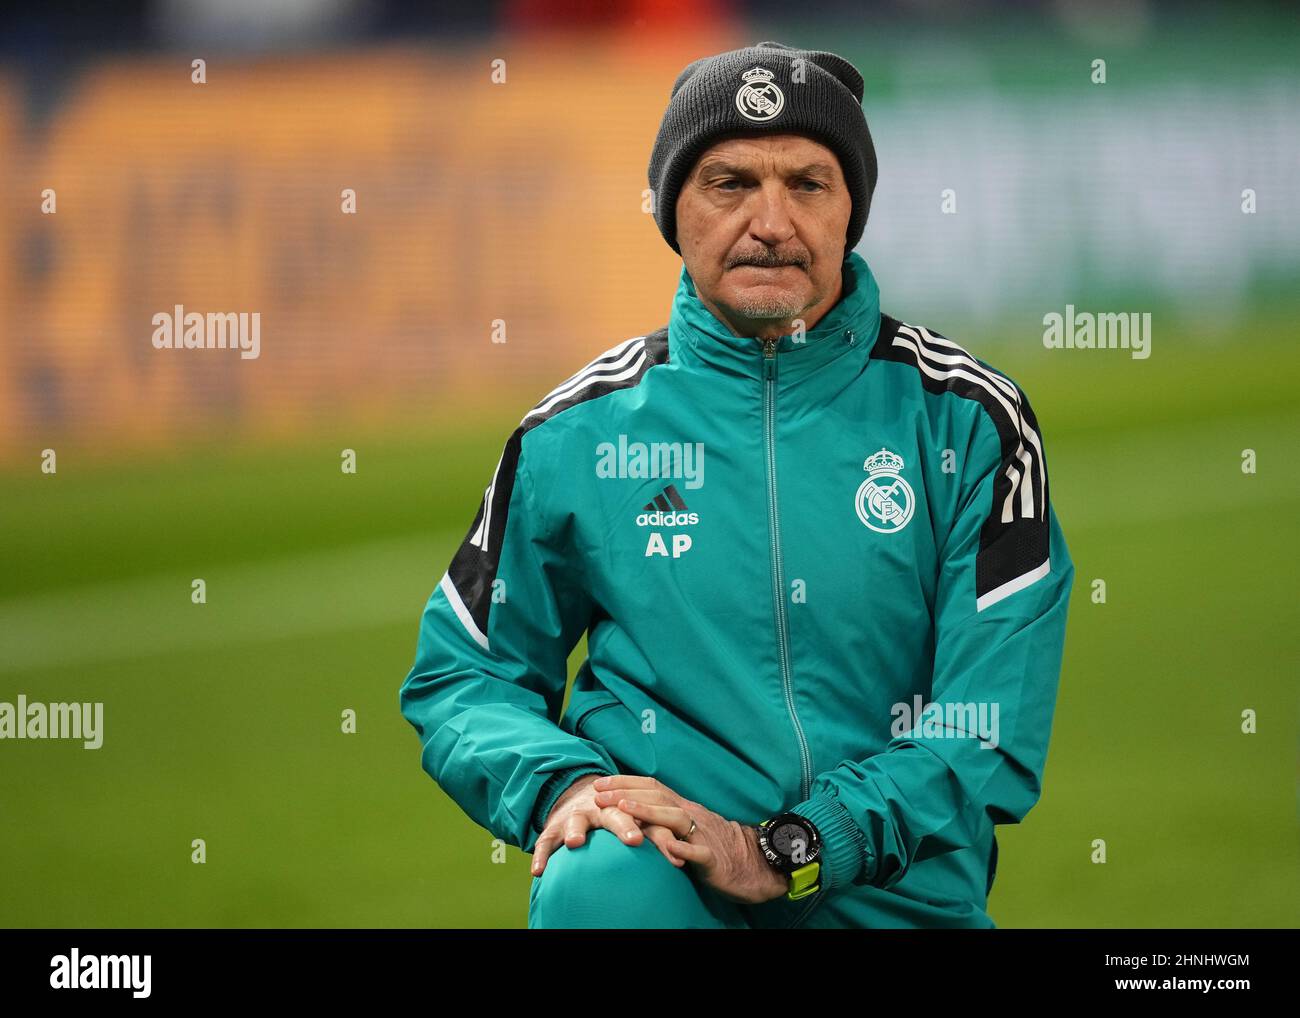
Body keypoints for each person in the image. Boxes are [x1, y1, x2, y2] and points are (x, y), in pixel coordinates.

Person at [399, 40, 1074, 929]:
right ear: (674, 212)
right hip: (670, 889)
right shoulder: (576, 435)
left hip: (893, 902)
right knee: (597, 873)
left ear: (851, 213)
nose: (770, 222)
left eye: (807, 183)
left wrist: (786, 849)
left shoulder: (967, 421)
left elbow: (985, 724)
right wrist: (569, 788)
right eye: (729, 184)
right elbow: (464, 676)